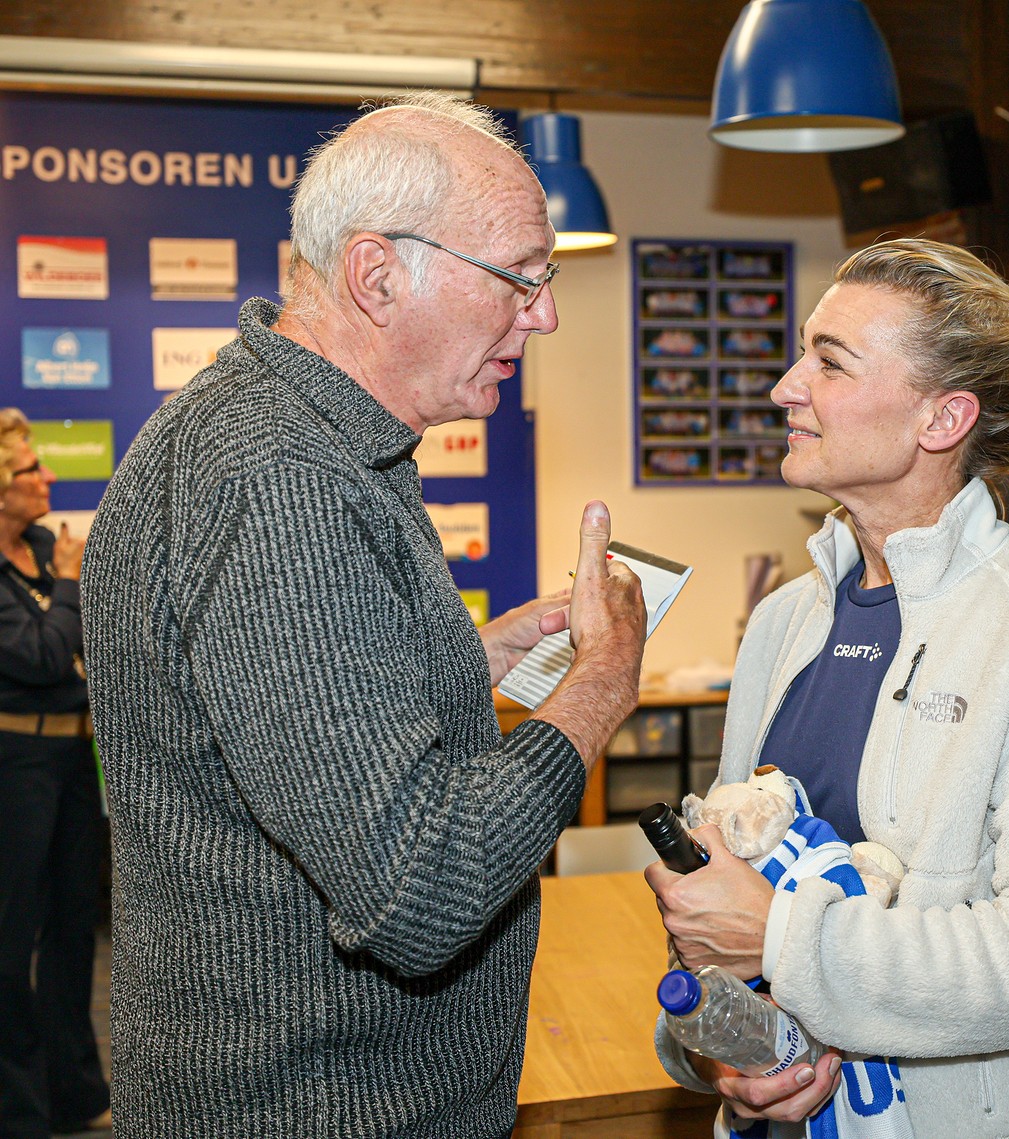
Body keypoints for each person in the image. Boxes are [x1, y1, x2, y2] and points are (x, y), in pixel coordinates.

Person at [80, 93, 646, 1138]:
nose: (545, 314)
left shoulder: (288, 439)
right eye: (520, 276)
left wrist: (465, 661)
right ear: (377, 275)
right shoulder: (279, 477)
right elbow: (422, 890)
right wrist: (594, 694)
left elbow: (272, 717)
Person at [645, 239, 1009, 1137]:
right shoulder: (782, 622)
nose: (785, 386)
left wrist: (784, 941)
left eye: (829, 362)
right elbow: (730, 900)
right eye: (803, 351)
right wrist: (719, 1042)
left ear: (941, 419)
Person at [0, 409, 111, 1138]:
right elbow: (39, 656)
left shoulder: (45, 546)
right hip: (15, 766)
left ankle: (76, 1090)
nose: (46, 476)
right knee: (12, 941)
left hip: (75, 757)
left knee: (76, 931)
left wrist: (67, 592)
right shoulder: (52, 564)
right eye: (28, 469)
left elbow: (72, 646)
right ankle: (19, 1108)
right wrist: (70, 585)